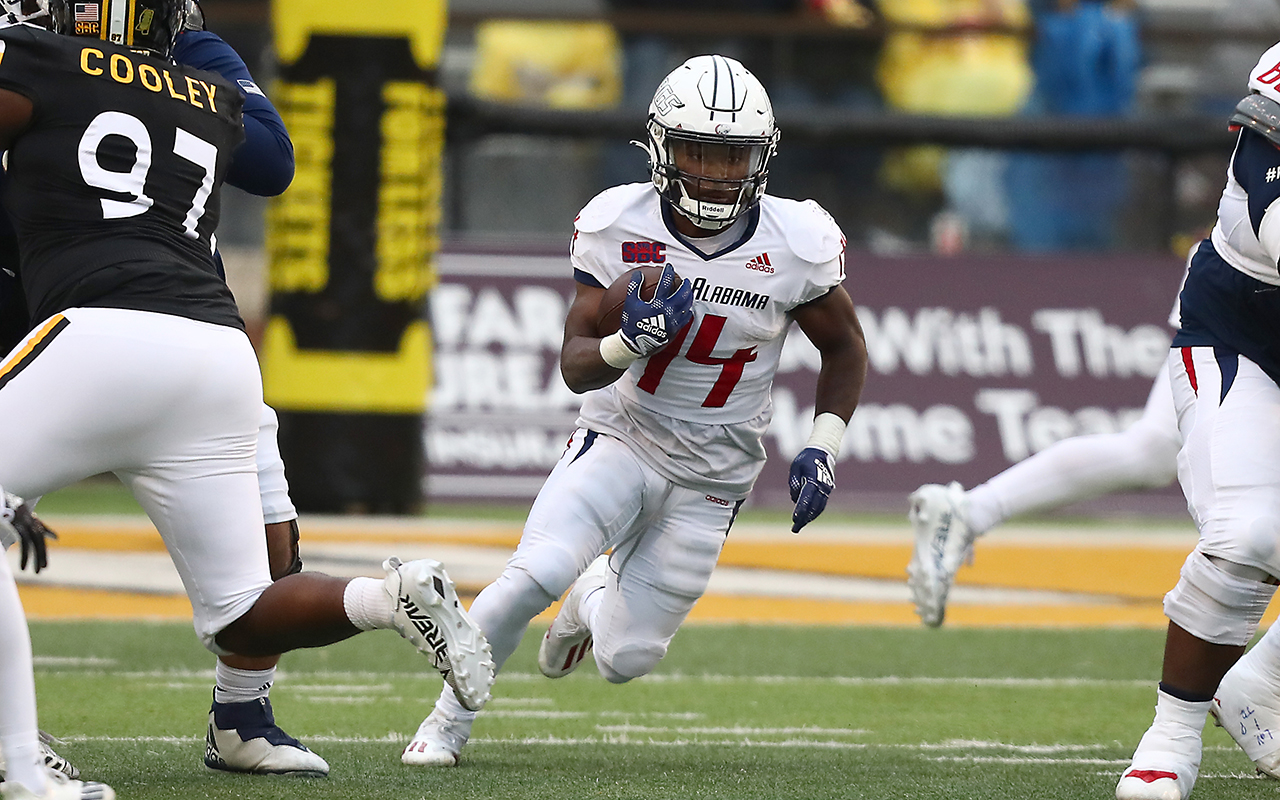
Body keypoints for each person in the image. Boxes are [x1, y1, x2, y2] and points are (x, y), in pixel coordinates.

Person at [0, 2, 495, 794]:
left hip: (93, 331)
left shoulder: (39, 62)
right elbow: (260, 158)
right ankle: (385, 597)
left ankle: (21, 760)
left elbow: (270, 161)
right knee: (241, 606)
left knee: (268, 542)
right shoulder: (204, 90)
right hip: (214, 349)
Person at [399, 54, 867, 767]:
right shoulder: (619, 224)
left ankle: (591, 597)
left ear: (762, 160)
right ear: (660, 149)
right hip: (625, 436)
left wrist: (823, 445)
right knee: (532, 576)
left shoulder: (796, 243)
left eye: (730, 157)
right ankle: (444, 727)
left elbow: (847, 349)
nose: (712, 174)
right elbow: (573, 363)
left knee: (625, 658)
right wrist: (628, 341)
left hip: (716, 472)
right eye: (696, 153)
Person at [0, 0, 326, 777]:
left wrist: (144, 81)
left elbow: (272, 162)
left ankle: (243, 716)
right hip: (39, 290)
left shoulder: (191, 55)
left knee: (269, 539)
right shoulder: (28, 55)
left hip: (167, 309)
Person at [1107, 41, 1280, 800]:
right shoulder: (1266, 162)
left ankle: (1261, 687)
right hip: (1241, 343)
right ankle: (1170, 737)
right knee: (1248, 533)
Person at [906, 284, 1185, 627]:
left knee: (1156, 452)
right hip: (1242, 294)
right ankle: (973, 509)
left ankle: (972, 510)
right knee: (1157, 450)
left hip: (1246, 291)